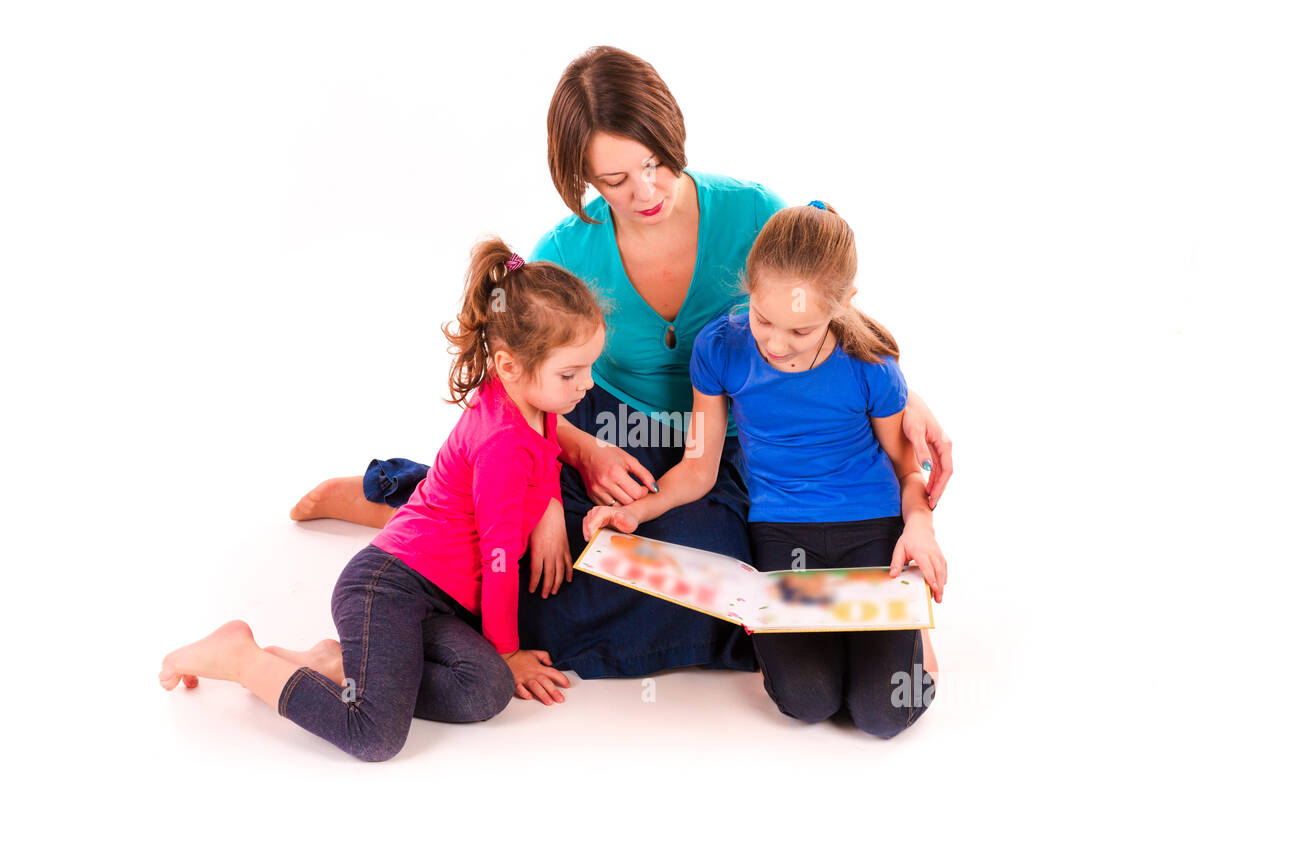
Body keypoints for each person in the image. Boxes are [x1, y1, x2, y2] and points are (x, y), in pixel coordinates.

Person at [289, 46, 952, 679]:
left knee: (721, 570)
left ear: (673, 135)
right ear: (582, 177)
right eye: (615, 179)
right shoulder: (564, 249)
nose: (645, 190)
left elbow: (825, 304)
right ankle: (415, 510)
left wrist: (905, 395)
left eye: (655, 163)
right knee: (557, 552)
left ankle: (433, 526)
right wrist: (573, 455)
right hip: (606, 431)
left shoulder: (751, 210)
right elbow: (510, 386)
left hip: (720, 442)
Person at [158, 239, 605, 760]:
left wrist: (550, 507)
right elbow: (499, 559)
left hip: (441, 599)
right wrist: (507, 650)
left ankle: (340, 664)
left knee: (486, 690)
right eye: (571, 374)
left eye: (589, 368)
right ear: (508, 366)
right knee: (374, 734)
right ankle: (241, 658)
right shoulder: (502, 440)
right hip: (387, 586)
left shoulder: (534, 400)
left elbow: (546, 455)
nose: (587, 386)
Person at [583, 202, 945, 736]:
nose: (776, 345)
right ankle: (864, 641)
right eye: (763, 319)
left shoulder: (871, 366)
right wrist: (637, 510)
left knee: (882, 714)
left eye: (800, 331)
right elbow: (699, 468)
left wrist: (920, 524)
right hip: (781, 531)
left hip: (871, 530)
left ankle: (909, 637)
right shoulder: (720, 347)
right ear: (748, 290)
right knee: (806, 702)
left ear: (844, 306)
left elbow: (907, 471)